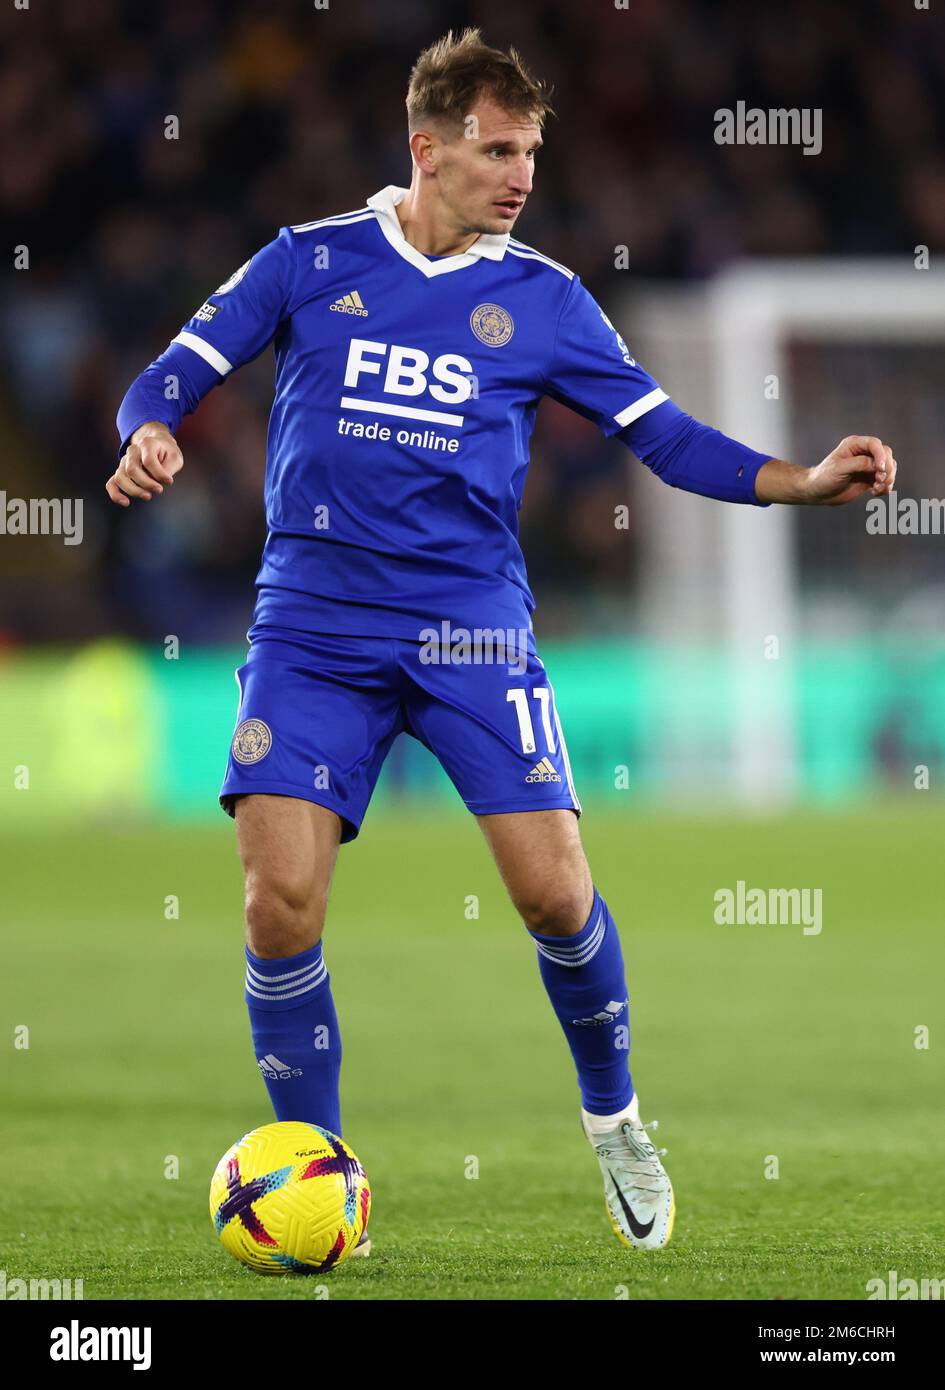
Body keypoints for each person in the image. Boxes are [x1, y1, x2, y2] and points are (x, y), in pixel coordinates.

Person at [107, 28, 897, 1254]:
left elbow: (666, 437)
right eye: (497, 149)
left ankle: (616, 1116)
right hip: (312, 628)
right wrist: (149, 432)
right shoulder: (307, 262)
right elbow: (166, 376)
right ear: (427, 149)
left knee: (552, 892)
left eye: (531, 150)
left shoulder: (545, 300)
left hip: (472, 631)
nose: (521, 174)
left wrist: (799, 480)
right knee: (281, 904)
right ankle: (321, 1177)